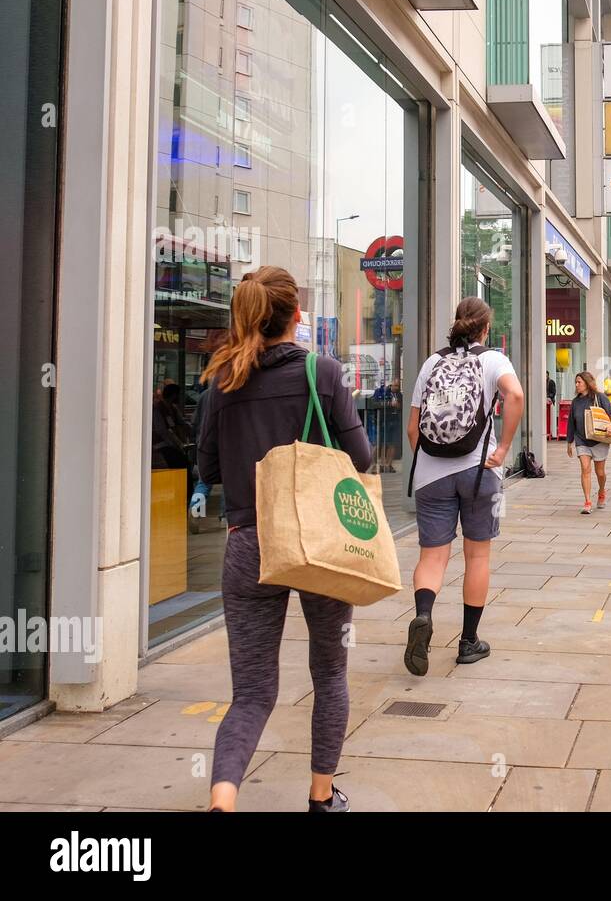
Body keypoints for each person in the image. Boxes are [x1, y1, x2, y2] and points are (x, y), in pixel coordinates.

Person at [196, 266, 371, 813]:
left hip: (250, 543)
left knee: (250, 693)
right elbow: (362, 459)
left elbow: (206, 465)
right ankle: (322, 796)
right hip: (320, 543)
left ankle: (223, 797)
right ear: (298, 316)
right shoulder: (324, 372)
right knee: (330, 673)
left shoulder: (223, 381)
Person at [404, 297, 524, 678]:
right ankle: (469, 642)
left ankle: (423, 616)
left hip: (431, 475)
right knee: (478, 557)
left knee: (432, 558)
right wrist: (503, 448)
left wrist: (432, 460)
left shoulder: (431, 363)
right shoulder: (493, 360)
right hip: (479, 473)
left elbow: (412, 428)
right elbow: (516, 396)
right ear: (485, 328)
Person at [567, 370, 611, 514]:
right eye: (576, 382)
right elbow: (571, 423)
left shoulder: (599, 397)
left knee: (600, 472)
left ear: (587, 383)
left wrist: (610, 425)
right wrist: (569, 443)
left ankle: (601, 491)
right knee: (585, 469)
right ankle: (587, 501)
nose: (576, 385)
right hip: (581, 440)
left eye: (579, 382)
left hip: (598, 439)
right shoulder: (575, 402)